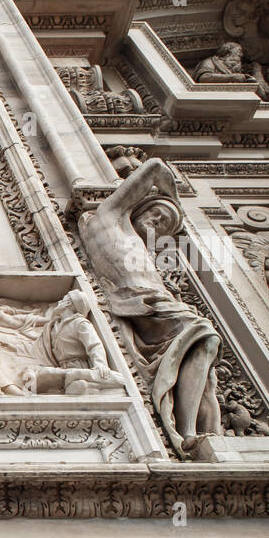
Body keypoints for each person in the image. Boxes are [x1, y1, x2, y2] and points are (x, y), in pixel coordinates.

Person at [79, 157, 220, 454]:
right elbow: (155, 166)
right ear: (138, 207)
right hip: (139, 305)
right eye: (157, 214)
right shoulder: (109, 221)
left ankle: (203, 435)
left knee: (206, 358)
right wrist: (175, 200)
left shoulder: (143, 254)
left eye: (164, 224)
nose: (157, 222)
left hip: (159, 307)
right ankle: (189, 433)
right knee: (204, 333)